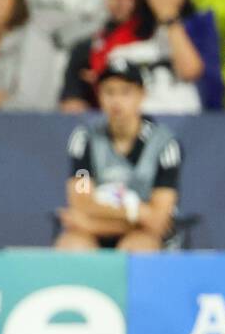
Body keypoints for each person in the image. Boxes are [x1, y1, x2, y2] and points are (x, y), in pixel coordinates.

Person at [55, 60, 182, 252]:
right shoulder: (84, 141)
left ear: (142, 95)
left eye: (125, 92)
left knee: (140, 249)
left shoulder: (164, 145)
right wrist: (136, 211)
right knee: (72, 246)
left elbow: (158, 219)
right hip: (96, 233)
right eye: (109, 92)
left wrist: (92, 223)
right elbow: (81, 201)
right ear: (99, 95)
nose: (116, 101)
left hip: (141, 234)